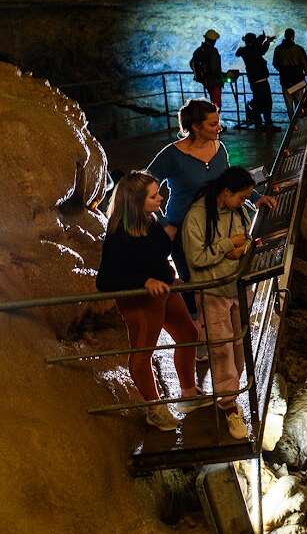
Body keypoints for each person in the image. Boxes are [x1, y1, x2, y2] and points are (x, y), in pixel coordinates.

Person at [146, 100, 275, 342]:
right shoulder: (172, 155)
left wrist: (254, 197)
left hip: (215, 226)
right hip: (182, 228)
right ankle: (195, 336)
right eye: (213, 123)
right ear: (195, 126)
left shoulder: (219, 148)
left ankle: (222, 335)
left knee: (216, 278)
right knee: (191, 282)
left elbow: (229, 183)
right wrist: (163, 223)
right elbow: (141, 188)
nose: (219, 127)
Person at [96, 171, 212, 431]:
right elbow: (105, 279)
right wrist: (143, 281)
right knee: (142, 352)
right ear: (136, 202)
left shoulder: (150, 221)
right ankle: (155, 408)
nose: (161, 198)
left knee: (188, 333)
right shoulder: (118, 235)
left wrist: (167, 275)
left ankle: (188, 394)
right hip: (140, 299)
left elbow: (159, 253)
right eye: (154, 195)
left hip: (165, 290)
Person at [181, 167, 256, 440]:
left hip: (236, 287)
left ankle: (234, 392)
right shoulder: (197, 218)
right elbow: (197, 259)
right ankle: (229, 406)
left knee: (238, 344)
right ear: (226, 193)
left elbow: (245, 239)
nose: (244, 202)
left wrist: (241, 249)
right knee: (221, 349)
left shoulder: (238, 211)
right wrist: (228, 246)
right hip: (212, 291)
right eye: (242, 197)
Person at [235, 32, 280, 132]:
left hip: (255, 81)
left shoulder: (246, 50)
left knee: (259, 102)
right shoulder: (251, 50)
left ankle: (258, 123)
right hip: (261, 82)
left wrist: (265, 41)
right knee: (267, 103)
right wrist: (265, 41)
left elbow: (260, 50)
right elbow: (261, 50)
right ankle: (267, 124)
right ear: (253, 41)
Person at [272, 28, 307, 117]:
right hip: (298, 81)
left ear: (285, 36)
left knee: (289, 107)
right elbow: (305, 64)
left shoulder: (278, 49)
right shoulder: (299, 49)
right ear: (293, 36)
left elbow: (275, 64)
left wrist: (282, 71)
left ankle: (293, 127)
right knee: (299, 105)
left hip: (285, 81)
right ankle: (300, 123)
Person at [190, 29, 225, 109]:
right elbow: (214, 69)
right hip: (214, 82)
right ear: (214, 40)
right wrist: (222, 77)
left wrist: (202, 74)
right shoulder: (213, 51)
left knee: (211, 105)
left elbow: (191, 63)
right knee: (217, 106)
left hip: (204, 81)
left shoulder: (198, 51)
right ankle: (215, 120)